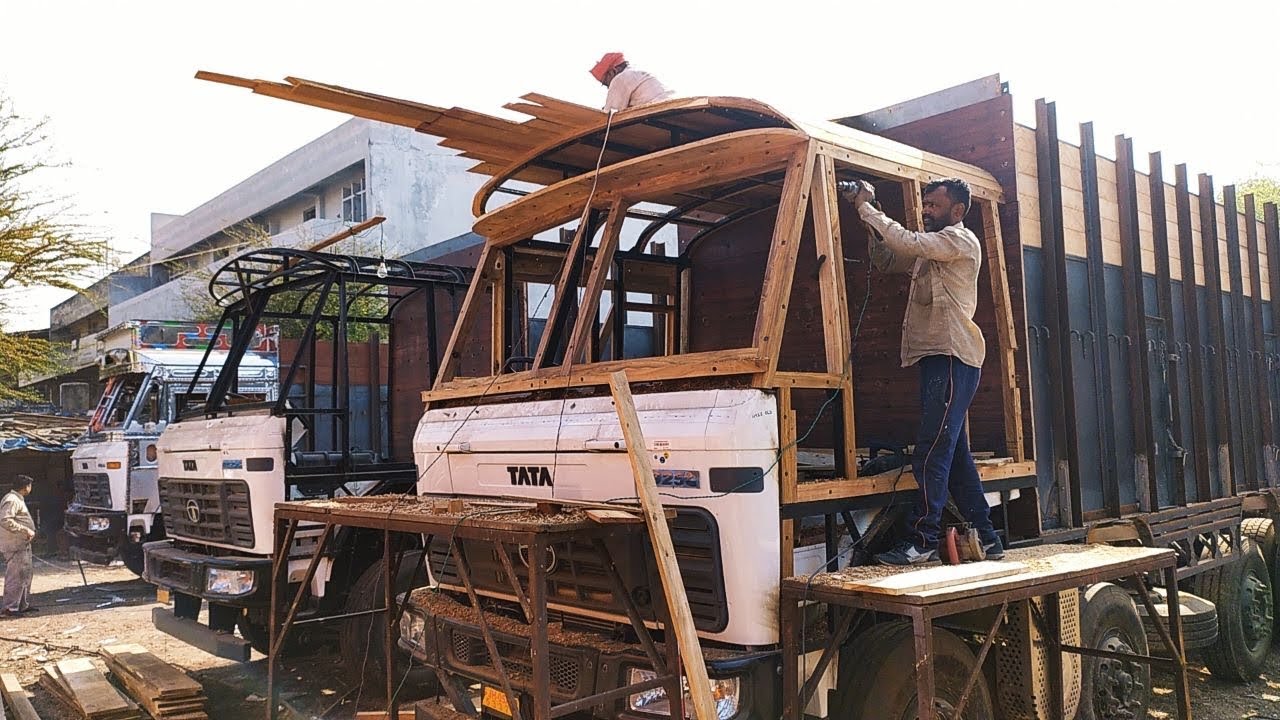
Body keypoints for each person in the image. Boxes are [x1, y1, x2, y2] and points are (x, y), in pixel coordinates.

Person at [843, 178, 1004, 565]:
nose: (926, 210)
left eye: (934, 205)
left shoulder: (959, 242)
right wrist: (869, 217)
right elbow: (887, 258)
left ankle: (923, 539)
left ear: (958, 211)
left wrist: (868, 207)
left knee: (932, 451)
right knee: (956, 456)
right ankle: (988, 537)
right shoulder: (931, 252)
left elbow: (908, 242)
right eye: (926, 204)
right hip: (939, 358)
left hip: (953, 357)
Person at [0, 475, 37, 615]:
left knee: (25, 574)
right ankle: (10, 607)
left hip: (22, 543)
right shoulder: (11, 499)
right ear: (26, 486)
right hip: (14, 544)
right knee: (15, 575)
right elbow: (5, 519)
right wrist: (24, 529)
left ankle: (22, 604)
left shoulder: (17, 499)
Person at [590, 52, 674, 112]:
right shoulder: (637, 72)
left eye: (606, 83)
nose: (609, 88)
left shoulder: (620, 78)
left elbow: (609, 115)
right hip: (675, 108)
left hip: (659, 112)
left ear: (613, 71)